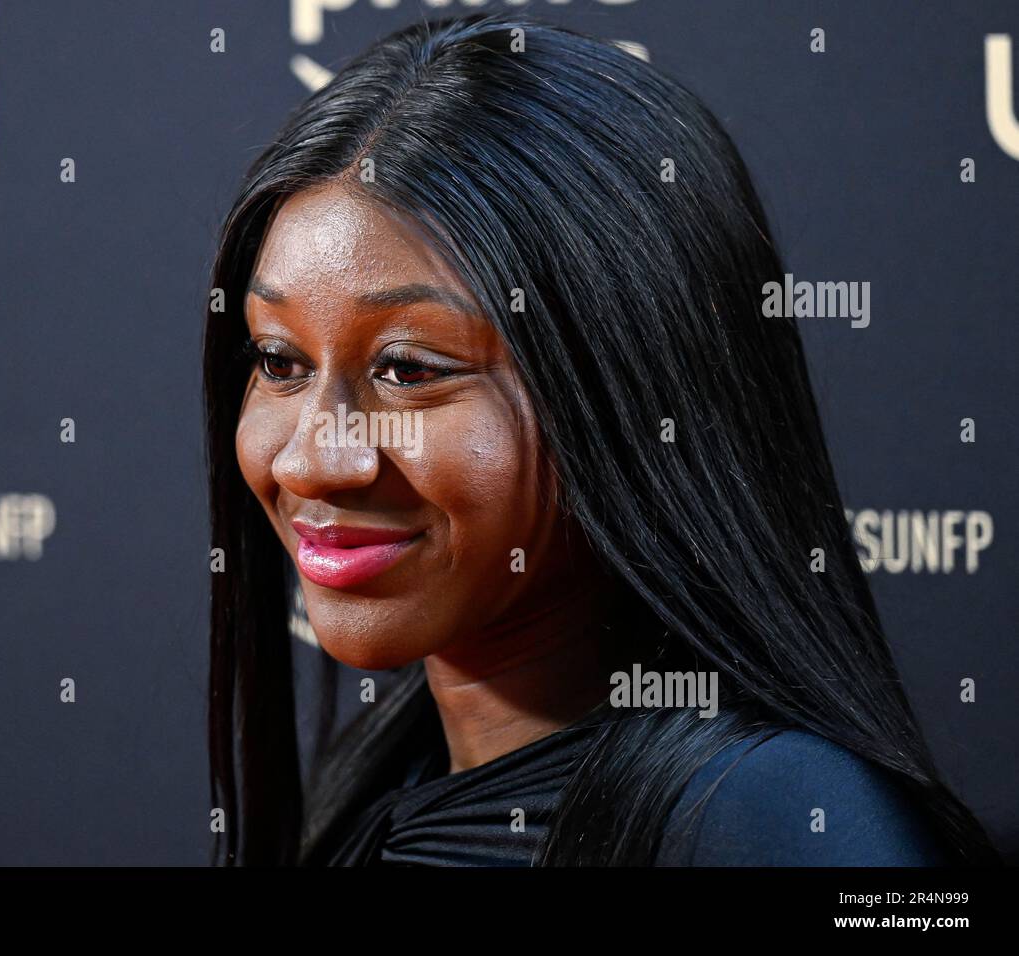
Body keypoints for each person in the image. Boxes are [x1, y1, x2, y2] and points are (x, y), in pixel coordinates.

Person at [201, 12, 999, 866]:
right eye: (280, 361)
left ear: (631, 386)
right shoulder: (376, 781)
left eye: (409, 368)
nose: (314, 458)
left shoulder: (780, 818)